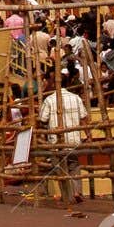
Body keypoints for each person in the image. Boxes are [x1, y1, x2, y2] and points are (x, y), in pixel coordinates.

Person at [37, 67, 88, 205]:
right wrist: (89, 135)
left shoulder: (49, 100)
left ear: (55, 84)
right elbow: (84, 118)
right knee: (74, 166)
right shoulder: (76, 98)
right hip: (74, 139)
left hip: (56, 141)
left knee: (60, 168)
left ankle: (68, 195)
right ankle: (76, 191)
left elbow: (42, 119)